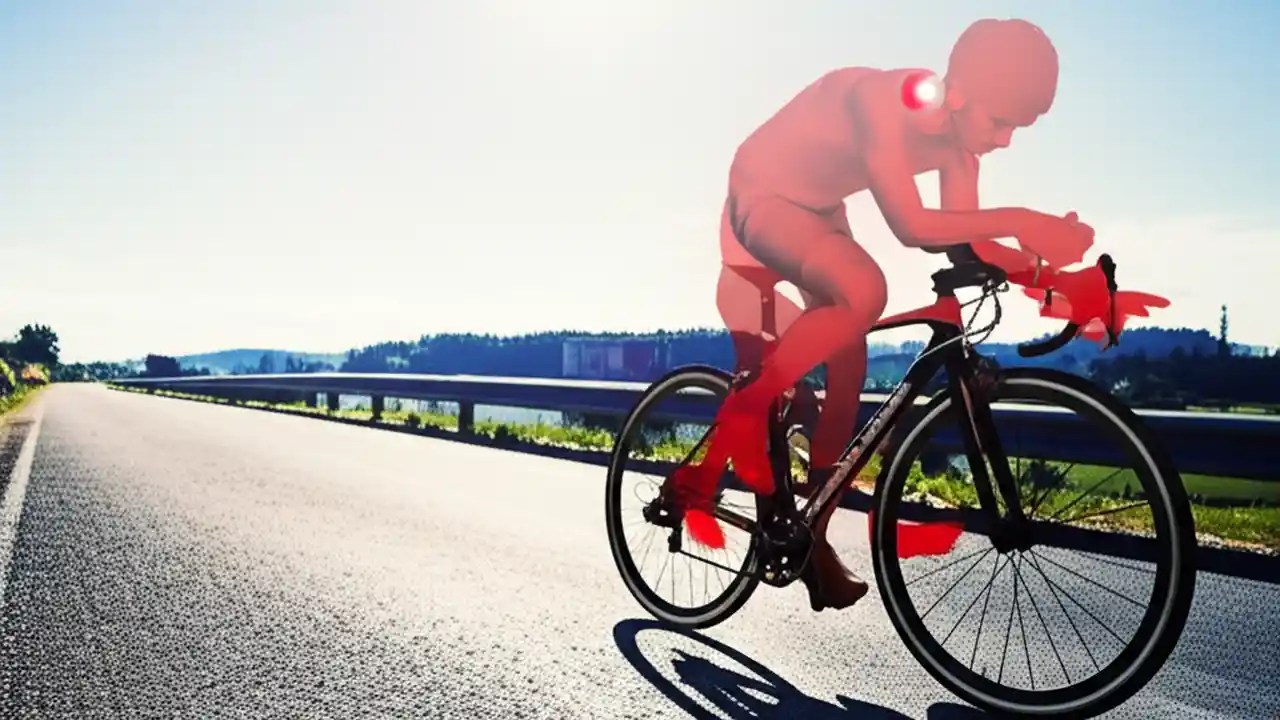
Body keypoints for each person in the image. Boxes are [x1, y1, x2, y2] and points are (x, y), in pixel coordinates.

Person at [676, 17, 1095, 612]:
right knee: (864, 290)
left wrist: (1051, 275)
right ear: (959, 91)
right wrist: (1023, 220)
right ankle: (748, 407)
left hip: (818, 209)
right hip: (762, 192)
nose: (1005, 141)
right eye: (1000, 122)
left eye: (1017, 129)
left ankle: (809, 535)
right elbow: (911, 225)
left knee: (850, 356)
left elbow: (967, 242)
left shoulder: (960, 152)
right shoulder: (885, 101)